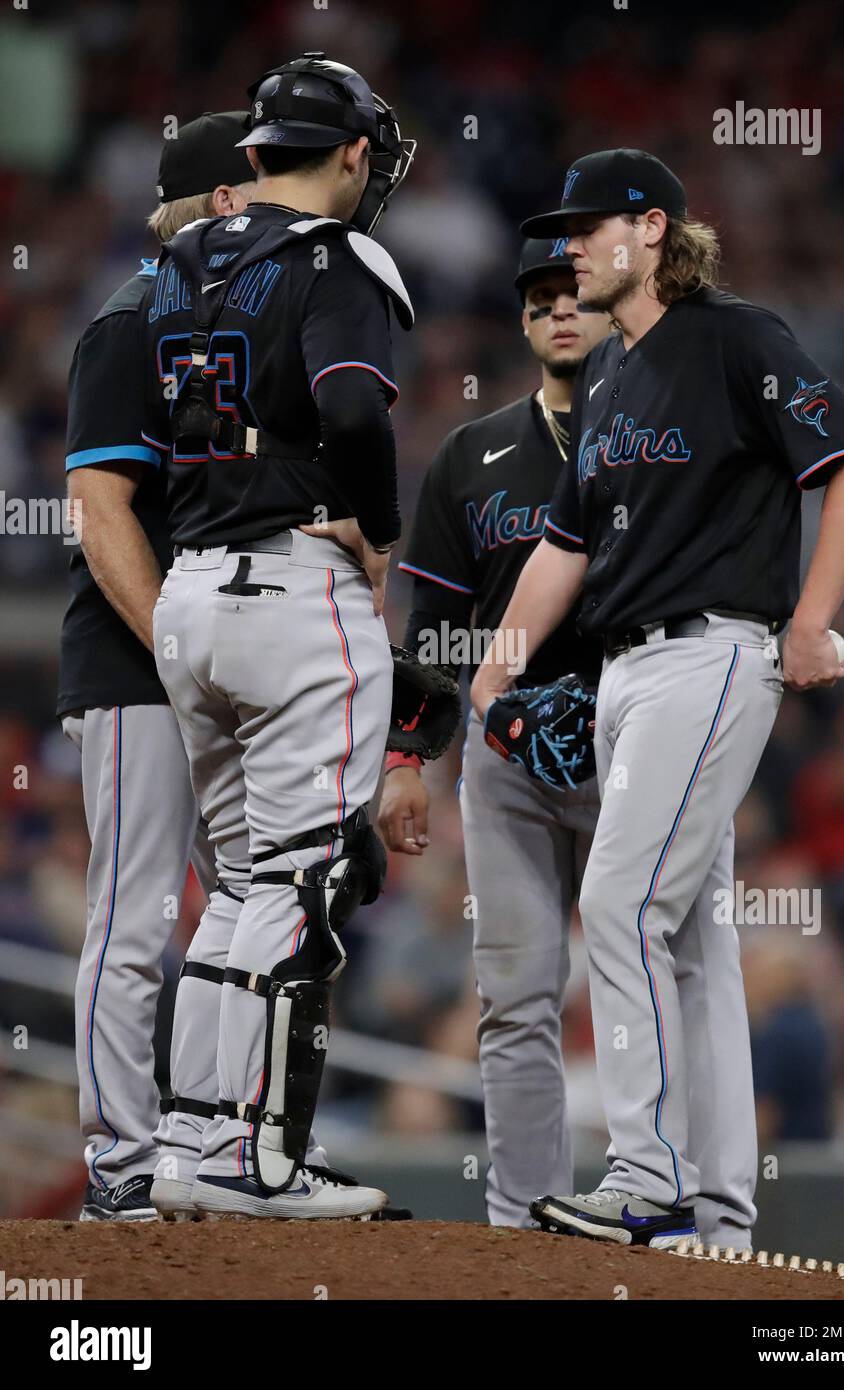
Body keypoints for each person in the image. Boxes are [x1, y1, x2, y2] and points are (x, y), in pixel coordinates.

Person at [471, 148, 844, 1250]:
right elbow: (562, 544)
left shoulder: (733, 336)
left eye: (592, 226)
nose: (571, 247)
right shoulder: (609, 374)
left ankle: (645, 1176)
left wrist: (807, 619)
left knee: (618, 905)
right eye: (562, 232)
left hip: (709, 658)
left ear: (653, 229)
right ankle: (719, 1217)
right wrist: (495, 664)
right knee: (695, 941)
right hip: (625, 671)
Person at [140, 53, 415, 1220]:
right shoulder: (338, 257)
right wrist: (381, 532)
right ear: (352, 152)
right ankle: (253, 1158)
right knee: (304, 880)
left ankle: (190, 1140)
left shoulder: (174, 261)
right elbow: (351, 404)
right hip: (294, 589)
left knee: (245, 882)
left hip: (189, 588)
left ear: (253, 154)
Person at [379, 239, 610, 1226]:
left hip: (632, 735)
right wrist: (405, 758)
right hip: (503, 747)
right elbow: (430, 621)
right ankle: (525, 1222)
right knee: (515, 992)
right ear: (522, 322)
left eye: (578, 296)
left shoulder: (663, 443)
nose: (559, 312)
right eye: (541, 300)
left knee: (656, 976)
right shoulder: (473, 455)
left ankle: (670, 1197)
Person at [59, 113, 255, 1222]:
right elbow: (98, 510)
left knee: (245, 903)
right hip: (137, 669)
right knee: (136, 918)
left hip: (221, 669)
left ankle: (215, 1145)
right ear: (226, 201)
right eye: (264, 183)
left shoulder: (243, 321)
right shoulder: (132, 323)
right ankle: (119, 1161)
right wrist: (178, 653)